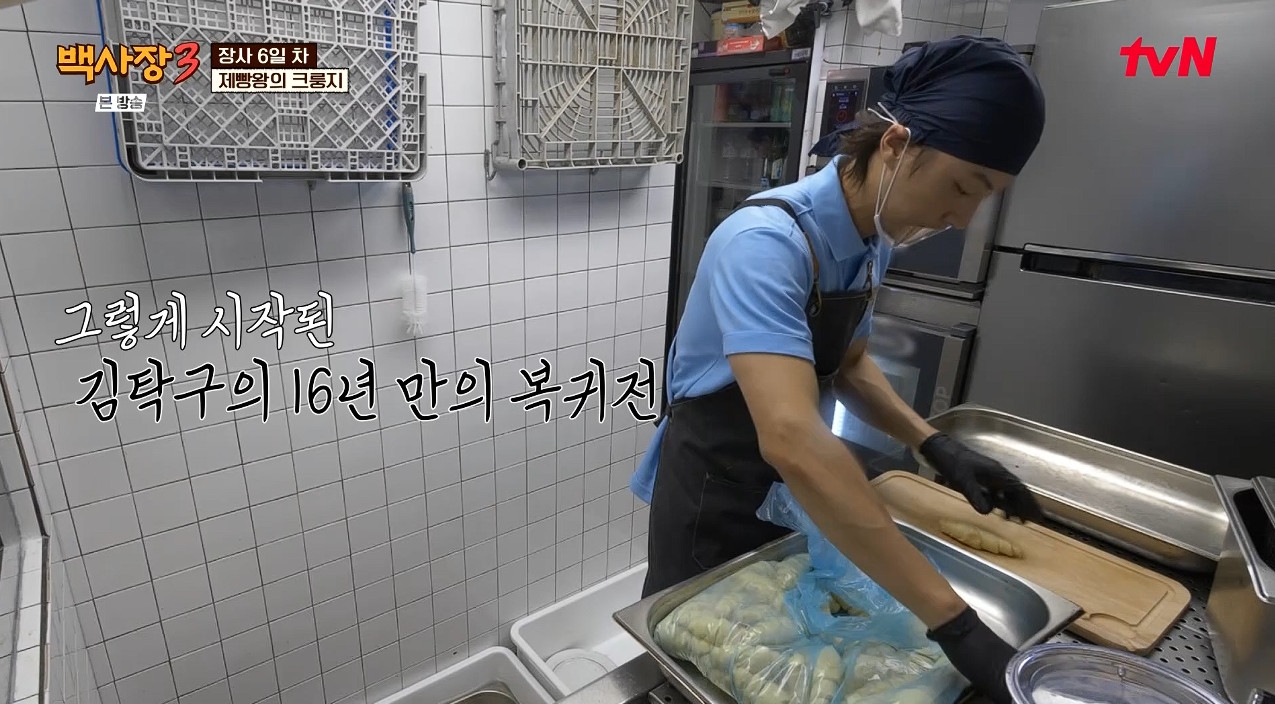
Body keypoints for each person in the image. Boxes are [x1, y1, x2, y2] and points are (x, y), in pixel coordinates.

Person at [630, 36, 1048, 704]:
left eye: (985, 197)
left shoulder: (867, 239)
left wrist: (934, 444)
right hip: (716, 495)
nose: (961, 217)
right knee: (698, 667)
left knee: (775, 663)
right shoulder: (764, 244)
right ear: (896, 146)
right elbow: (793, 437)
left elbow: (848, 363)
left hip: (789, 490)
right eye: (962, 187)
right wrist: (955, 624)